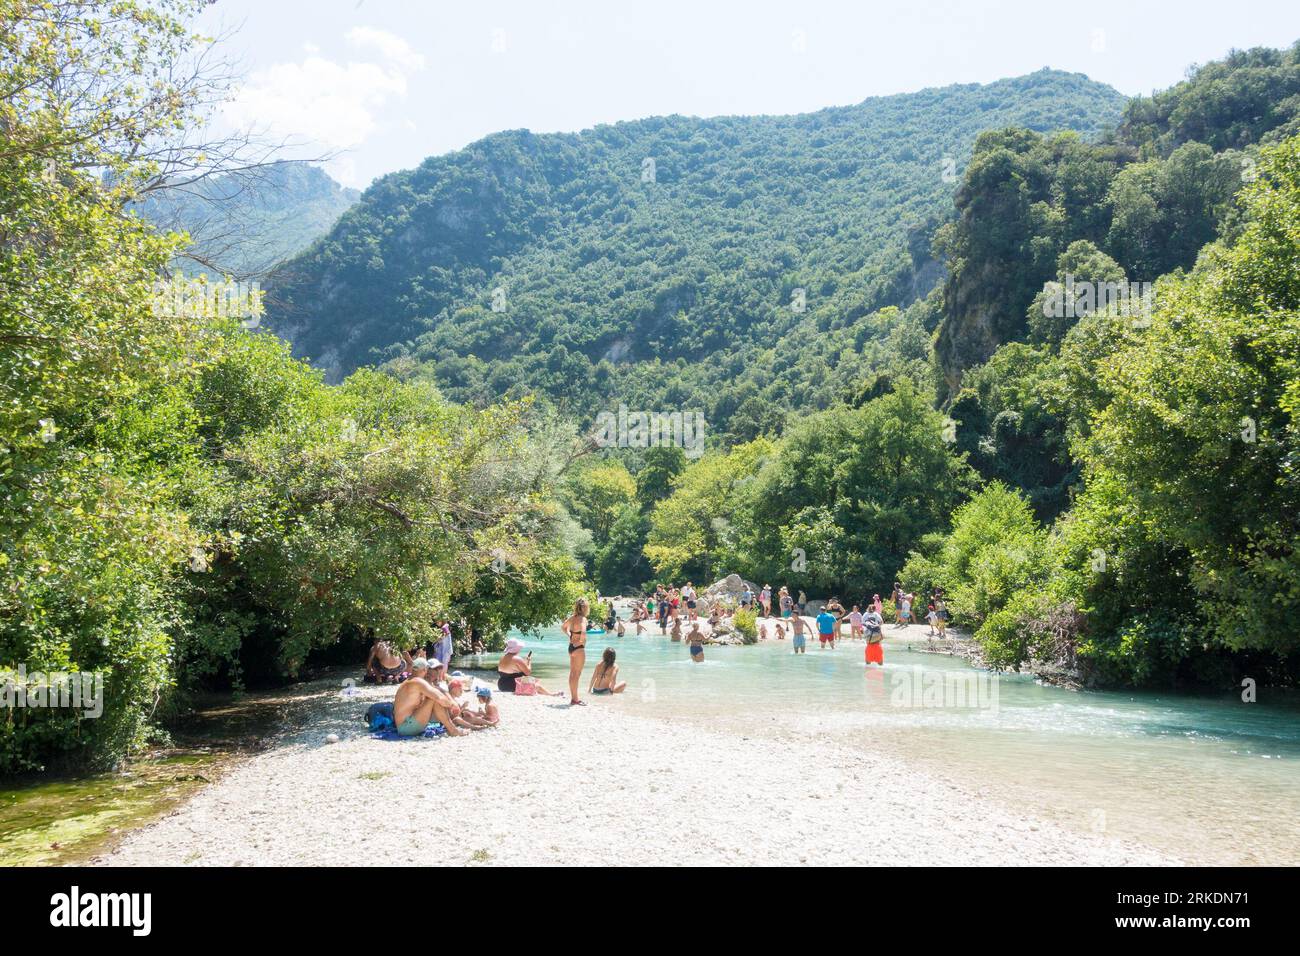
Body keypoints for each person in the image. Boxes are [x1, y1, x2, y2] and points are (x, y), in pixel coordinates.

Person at [393, 659, 466, 737]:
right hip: (407, 727)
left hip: (404, 726)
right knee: (434, 699)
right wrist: (452, 705)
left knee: (434, 699)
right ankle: (453, 730)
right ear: (425, 669)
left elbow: (439, 691)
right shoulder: (418, 682)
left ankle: (452, 727)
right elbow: (439, 697)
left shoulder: (408, 681)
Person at [561, 598, 591, 706]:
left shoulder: (572, 617)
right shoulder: (583, 619)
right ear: (584, 608)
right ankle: (576, 699)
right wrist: (581, 642)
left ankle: (573, 698)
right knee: (577, 674)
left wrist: (570, 636)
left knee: (572, 673)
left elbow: (563, 627)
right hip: (578, 648)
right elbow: (583, 631)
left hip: (571, 647)